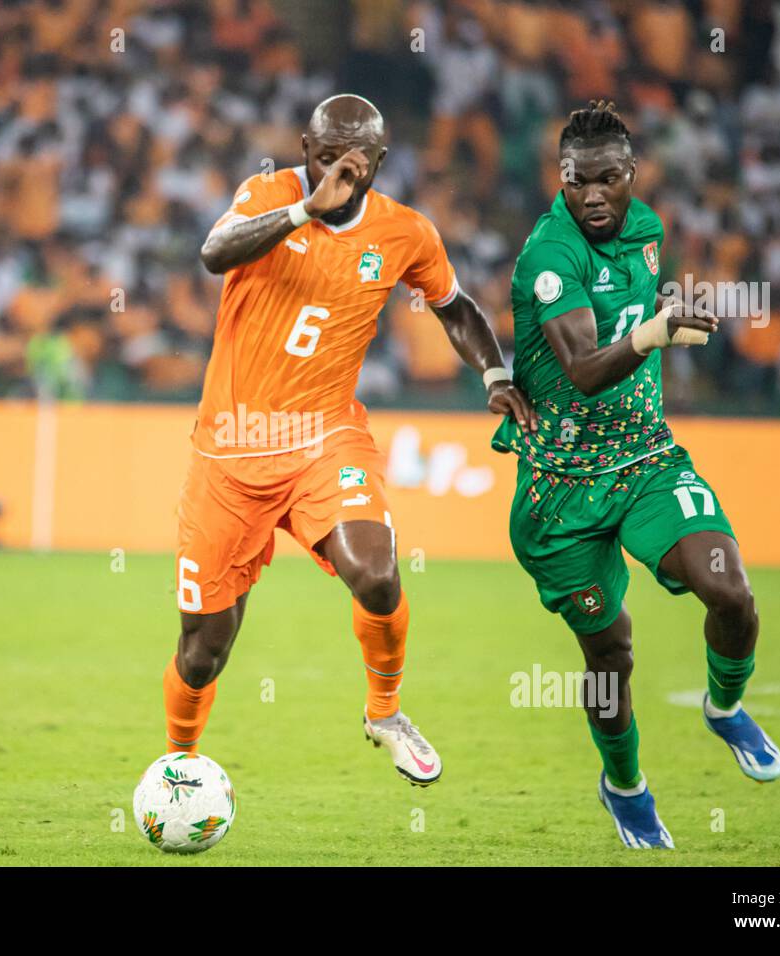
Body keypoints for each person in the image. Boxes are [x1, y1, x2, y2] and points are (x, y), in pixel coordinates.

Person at [163, 94, 535, 786]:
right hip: (228, 450)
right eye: (322, 154)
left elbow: (455, 307)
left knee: (378, 571)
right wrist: (307, 208)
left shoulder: (405, 234)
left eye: (352, 160)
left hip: (325, 439)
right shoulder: (272, 193)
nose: (334, 169)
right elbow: (214, 253)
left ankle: (385, 711)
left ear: (379, 163)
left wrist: (492, 373)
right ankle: (179, 764)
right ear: (305, 148)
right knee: (204, 649)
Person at [493, 101, 780, 848]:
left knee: (731, 589)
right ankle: (625, 783)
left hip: (647, 459)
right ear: (561, 178)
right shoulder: (548, 258)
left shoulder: (647, 229)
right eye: (578, 180)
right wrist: (655, 332)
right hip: (560, 493)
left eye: (608, 179)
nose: (593, 195)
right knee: (610, 655)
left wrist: (665, 308)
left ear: (632, 176)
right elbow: (586, 370)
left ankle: (724, 707)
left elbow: (636, 305)